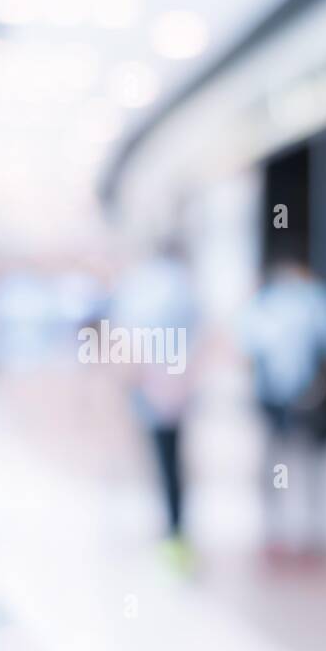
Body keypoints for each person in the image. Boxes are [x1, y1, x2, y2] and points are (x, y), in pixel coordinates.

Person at [240, 249, 326, 560]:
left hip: (283, 395)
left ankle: (283, 529)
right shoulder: (316, 301)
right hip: (299, 394)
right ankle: (305, 530)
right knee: (305, 462)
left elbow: (248, 346)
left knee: (282, 461)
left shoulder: (271, 303)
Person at [110, 241, 198, 572]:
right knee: (172, 461)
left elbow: (126, 340)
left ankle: (172, 532)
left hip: (152, 386)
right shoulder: (181, 287)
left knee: (163, 462)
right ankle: (174, 531)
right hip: (171, 387)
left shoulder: (140, 287)